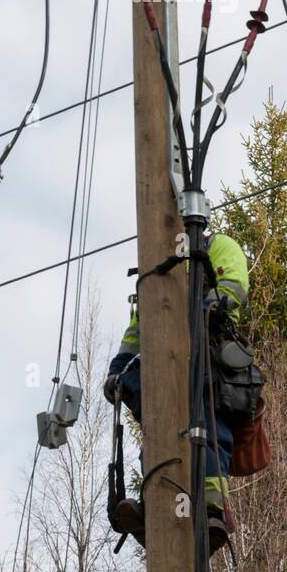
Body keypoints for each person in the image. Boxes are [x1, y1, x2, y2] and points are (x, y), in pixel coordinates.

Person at [104, 232, 250, 555]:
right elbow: (139, 327)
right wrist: (121, 367)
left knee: (210, 424)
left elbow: (233, 288)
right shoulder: (155, 269)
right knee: (159, 424)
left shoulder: (217, 247)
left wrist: (198, 313)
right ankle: (154, 503)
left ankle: (213, 507)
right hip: (163, 363)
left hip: (210, 352)